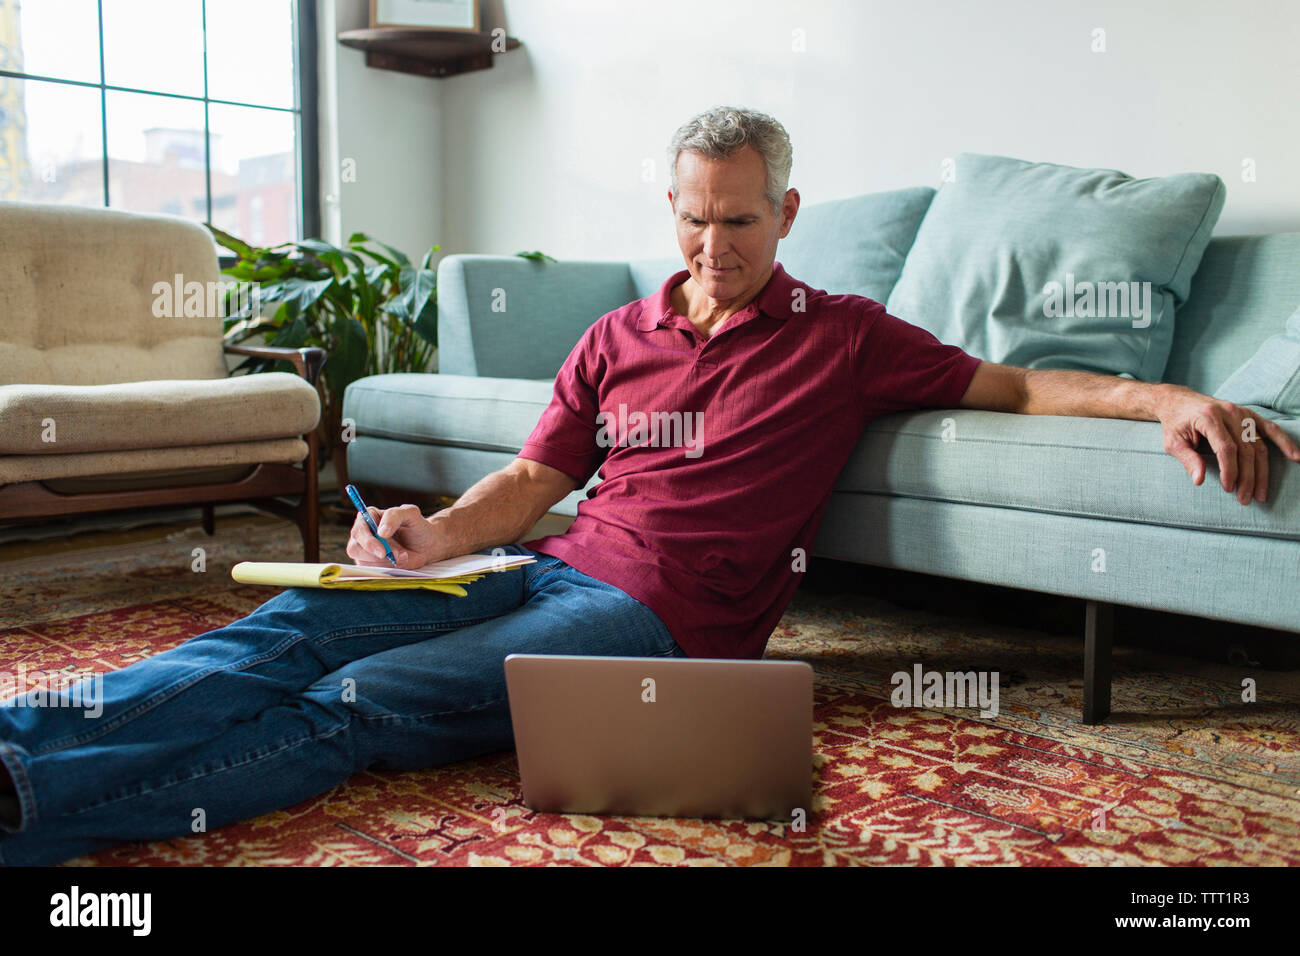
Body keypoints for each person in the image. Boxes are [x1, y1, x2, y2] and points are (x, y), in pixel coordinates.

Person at [1, 107, 1296, 866]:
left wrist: (1173, 396)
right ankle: (21, 737)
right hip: (546, 565)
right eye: (693, 218)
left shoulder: (843, 335)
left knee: (359, 699)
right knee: (295, 625)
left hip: (657, 622)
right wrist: (426, 533)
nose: (713, 247)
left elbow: (1012, 387)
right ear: (670, 207)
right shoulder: (618, 335)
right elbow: (533, 476)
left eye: (739, 220)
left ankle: (33, 809)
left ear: (787, 212)